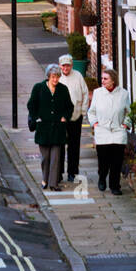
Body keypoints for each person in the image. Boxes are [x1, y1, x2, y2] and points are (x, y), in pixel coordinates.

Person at [27, 63, 73, 191]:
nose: (55, 80)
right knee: (45, 158)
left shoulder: (63, 89)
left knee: (55, 158)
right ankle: (44, 179)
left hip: (58, 129)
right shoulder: (38, 88)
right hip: (43, 129)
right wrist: (36, 118)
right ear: (48, 76)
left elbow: (70, 107)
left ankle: (53, 183)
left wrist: (65, 117)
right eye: (53, 77)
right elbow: (31, 105)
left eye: (57, 77)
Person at [87, 67, 130, 194]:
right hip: (102, 131)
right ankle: (102, 178)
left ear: (113, 81)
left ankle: (115, 186)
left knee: (116, 161)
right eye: (102, 78)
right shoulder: (98, 93)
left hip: (118, 131)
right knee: (103, 160)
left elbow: (129, 112)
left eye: (105, 79)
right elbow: (92, 111)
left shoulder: (123, 94)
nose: (103, 81)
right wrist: (94, 124)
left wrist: (125, 124)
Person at [58, 53, 90, 183]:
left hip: (76, 117)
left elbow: (85, 94)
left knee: (74, 146)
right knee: (59, 146)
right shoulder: (57, 77)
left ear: (71, 65)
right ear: (60, 65)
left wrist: (83, 112)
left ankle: (72, 172)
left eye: (68, 65)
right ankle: (58, 172)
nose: (66, 68)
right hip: (60, 119)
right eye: (63, 65)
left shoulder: (78, 76)